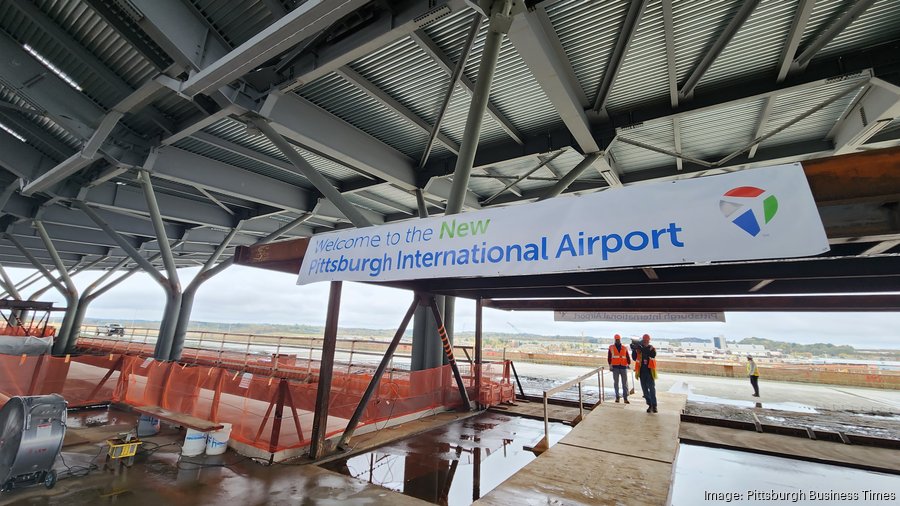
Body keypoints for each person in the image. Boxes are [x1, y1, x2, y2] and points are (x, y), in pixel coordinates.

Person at [632, 333, 657, 413]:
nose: (646, 342)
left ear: (649, 341)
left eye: (647, 341)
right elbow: (634, 358)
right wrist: (634, 350)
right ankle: (650, 405)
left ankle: (654, 405)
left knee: (652, 390)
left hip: (650, 373)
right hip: (642, 373)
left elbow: (653, 355)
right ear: (642, 341)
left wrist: (641, 348)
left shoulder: (651, 348)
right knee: (645, 391)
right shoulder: (639, 349)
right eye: (644, 341)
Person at [607, 334, 631, 404]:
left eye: (618, 339)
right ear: (615, 340)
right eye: (616, 339)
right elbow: (609, 357)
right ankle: (617, 397)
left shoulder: (624, 347)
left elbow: (627, 356)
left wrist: (628, 364)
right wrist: (610, 366)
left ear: (620, 340)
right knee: (616, 383)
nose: (617, 340)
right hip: (615, 367)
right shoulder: (611, 347)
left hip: (623, 367)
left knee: (624, 383)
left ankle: (625, 398)